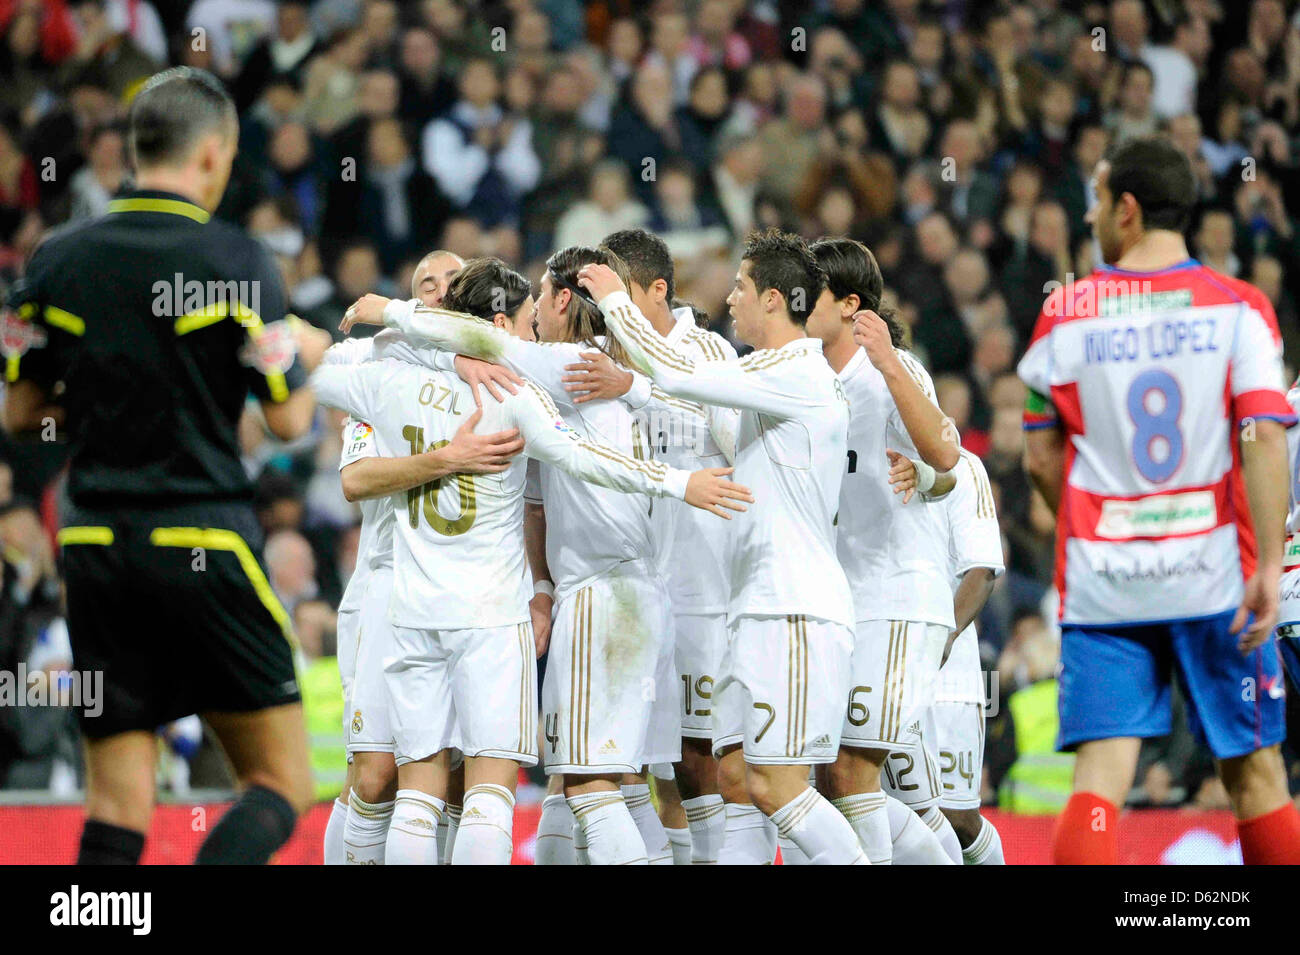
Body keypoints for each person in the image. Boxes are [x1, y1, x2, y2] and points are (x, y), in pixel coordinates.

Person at [321, 256, 751, 864]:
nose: (535, 323)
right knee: (552, 788)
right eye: (527, 313)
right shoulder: (533, 381)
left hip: (572, 598)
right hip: (515, 602)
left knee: (565, 786)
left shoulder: (530, 372)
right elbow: (569, 469)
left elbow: (337, 368)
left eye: (540, 305)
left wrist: (384, 313)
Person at [2, 67, 320, 865]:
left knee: (115, 800)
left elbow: (18, 412)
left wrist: (107, 398)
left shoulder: (54, 259)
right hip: (202, 537)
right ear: (213, 155)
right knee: (282, 779)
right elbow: (287, 417)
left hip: (95, 547)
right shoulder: (238, 257)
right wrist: (308, 354)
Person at [1019, 135, 1300, 864]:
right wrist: (1269, 563)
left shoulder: (1066, 312)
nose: (1092, 219)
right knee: (1256, 776)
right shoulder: (1241, 307)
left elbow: (1041, 454)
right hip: (1217, 577)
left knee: (1099, 782)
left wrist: (1084, 532)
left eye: (1099, 202)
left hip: (1106, 579)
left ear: (1129, 208)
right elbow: (1264, 436)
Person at [583, 228, 867, 865]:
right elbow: (679, 393)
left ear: (772, 299)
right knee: (737, 778)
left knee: (777, 783)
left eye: (740, 286)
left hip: (793, 609)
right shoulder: (764, 375)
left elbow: (675, 372)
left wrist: (614, 304)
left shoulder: (797, 372)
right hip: (756, 605)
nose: (729, 298)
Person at [803, 236, 963, 865]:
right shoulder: (805, 377)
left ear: (848, 305)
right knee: (832, 778)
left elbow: (947, 458)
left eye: (804, 293)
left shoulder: (893, 370)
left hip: (897, 594)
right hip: (842, 601)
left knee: (849, 771)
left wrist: (891, 361)